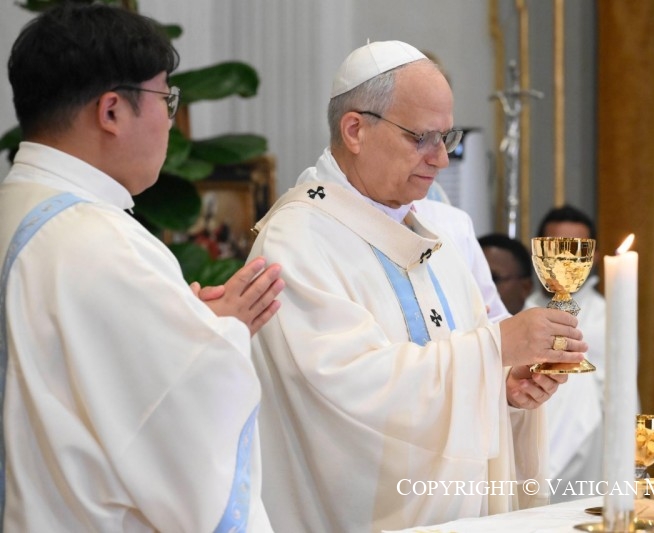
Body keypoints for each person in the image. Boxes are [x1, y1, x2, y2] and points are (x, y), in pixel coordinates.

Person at [248, 40, 588, 532]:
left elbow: (453, 367)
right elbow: (347, 388)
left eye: (445, 138)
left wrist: (503, 389)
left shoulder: (431, 236)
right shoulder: (297, 240)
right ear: (355, 130)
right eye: (422, 138)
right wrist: (498, 346)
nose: (441, 159)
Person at [0, 4, 284, 531]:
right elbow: (178, 420)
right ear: (111, 111)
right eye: (166, 99)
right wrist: (224, 335)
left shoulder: (15, 207)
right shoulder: (104, 242)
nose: (170, 119)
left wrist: (180, 325)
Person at [525, 205, 606, 502]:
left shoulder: (605, 319)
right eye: (555, 250)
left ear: (592, 257)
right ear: (538, 255)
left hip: (588, 450)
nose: (564, 261)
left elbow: (614, 395)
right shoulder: (522, 313)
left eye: (575, 252)